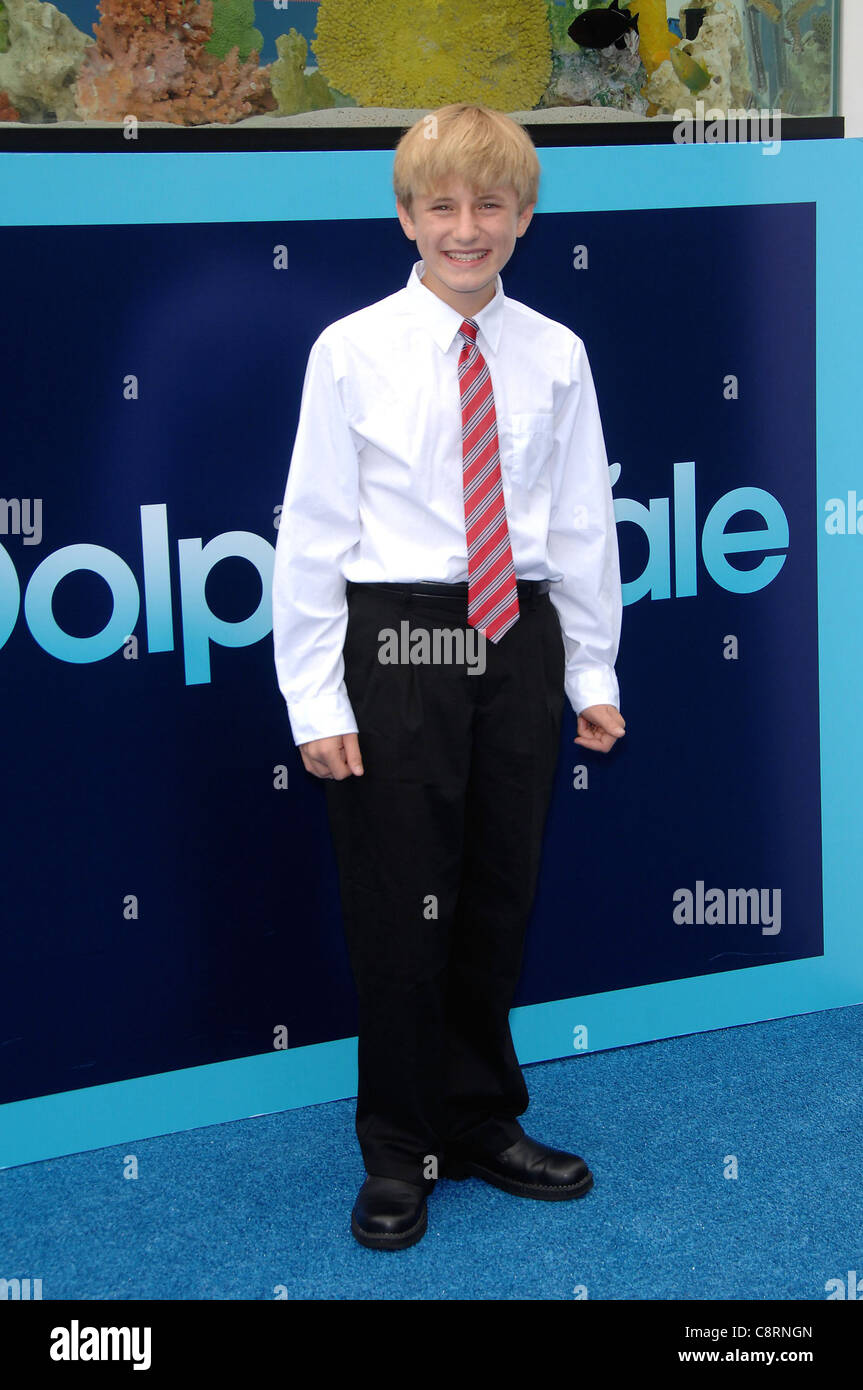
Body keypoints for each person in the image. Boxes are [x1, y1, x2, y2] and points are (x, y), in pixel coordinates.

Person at [272, 102, 625, 1251]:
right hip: (401, 641)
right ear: (404, 216)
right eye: (442, 206)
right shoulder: (351, 349)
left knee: (495, 892)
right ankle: (398, 1147)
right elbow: (314, 531)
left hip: (513, 638)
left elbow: (578, 527)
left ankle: (478, 1119)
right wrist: (316, 698)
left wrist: (591, 676)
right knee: (398, 902)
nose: (465, 227)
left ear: (522, 217)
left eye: (489, 205)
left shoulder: (556, 354)